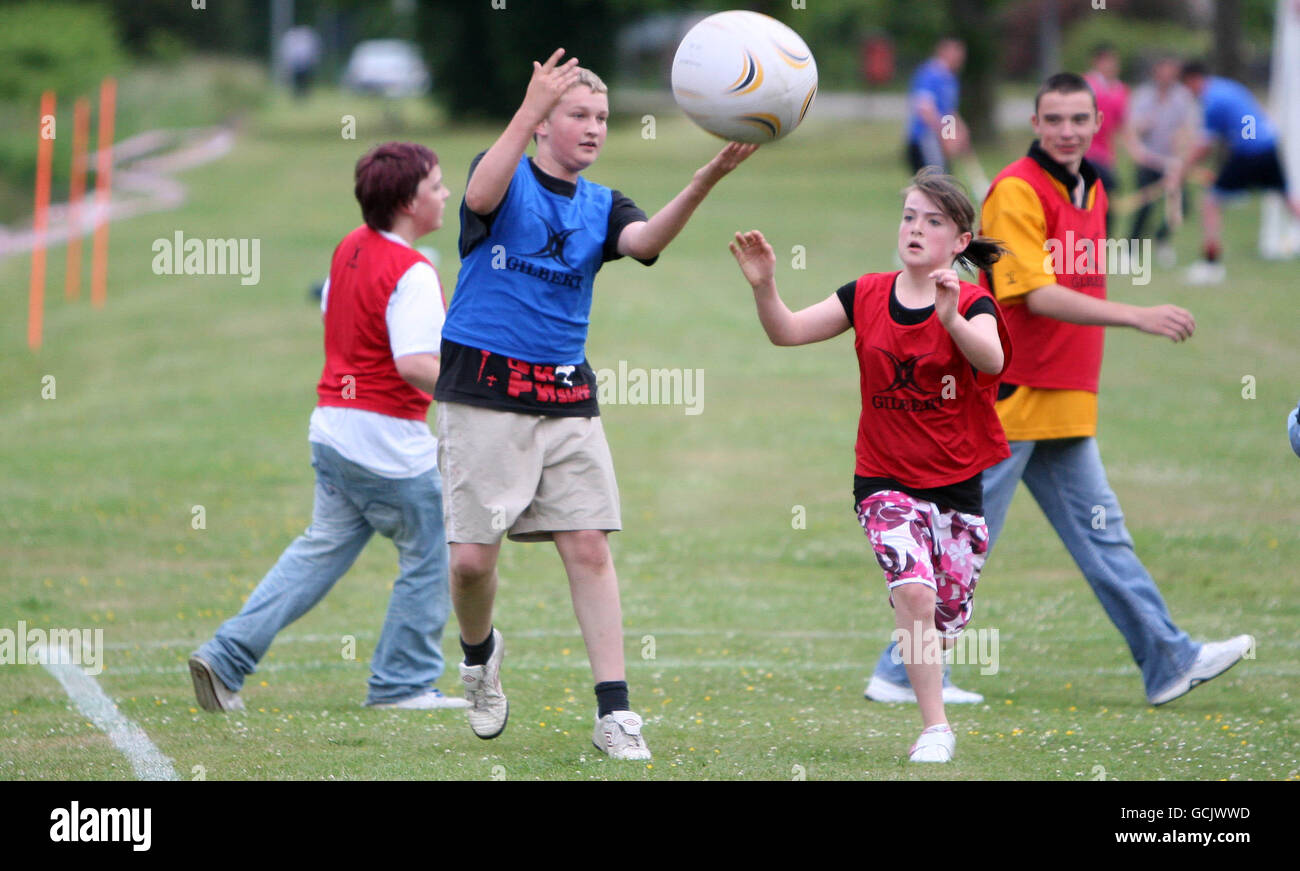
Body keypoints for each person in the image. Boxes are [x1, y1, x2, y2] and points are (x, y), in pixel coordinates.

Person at [865, 72, 1254, 708]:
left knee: (1103, 536)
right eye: (1055, 120)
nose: (1068, 131)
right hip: (1012, 400)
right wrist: (1137, 315)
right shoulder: (1016, 189)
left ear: (1098, 123)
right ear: (1036, 125)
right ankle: (899, 670)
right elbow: (1034, 292)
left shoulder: (1095, 184)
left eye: (1080, 119)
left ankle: (1169, 660)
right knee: (959, 539)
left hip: (1066, 398)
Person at [434, 50, 756, 760]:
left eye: (603, 118)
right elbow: (482, 198)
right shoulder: (506, 171)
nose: (593, 128)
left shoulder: (603, 204)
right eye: (578, 114)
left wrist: (704, 180)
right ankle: (480, 656)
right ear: (544, 123)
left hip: (565, 392)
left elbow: (643, 244)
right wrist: (526, 107)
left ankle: (616, 711)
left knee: (589, 546)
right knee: (469, 564)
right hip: (484, 384)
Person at [730, 168, 1012, 763]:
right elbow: (786, 333)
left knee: (944, 611)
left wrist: (952, 320)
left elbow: (993, 361)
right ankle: (936, 728)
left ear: (961, 241)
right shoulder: (865, 294)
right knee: (912, 590)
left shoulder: (973, 300)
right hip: (882, 481)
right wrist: (765, 286)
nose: (916, 228)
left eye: (934, 221)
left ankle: (927, 662)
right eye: (910, 216)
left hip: (957, 488)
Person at [189, 142, 467, 713]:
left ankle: (226, 656)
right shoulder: (413, 272)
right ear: (409, 202)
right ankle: (403, 684)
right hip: (385, 443)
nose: (446, 195)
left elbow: (336, 316)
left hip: (332, 432)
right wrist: (476, 396)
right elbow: (414, 362)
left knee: (318, 553)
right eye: (437, 186)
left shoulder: (351, 247)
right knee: (434, 549)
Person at [1177, 61, 1300, 284]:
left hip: (1249, 151)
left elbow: (1204, 147)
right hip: (1268, 146)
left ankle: (1211, 264)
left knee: (1211, 202)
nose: (1189, 92)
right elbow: (1251, 116)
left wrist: (1181, 170)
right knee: (1288, 198)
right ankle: (1210, 263)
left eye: (1187, 87)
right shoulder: (1227, 87)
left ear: (1192, 79)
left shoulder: (1211, 100)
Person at [1124, 56, 1197, 267]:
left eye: (1171, 71)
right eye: (1163, 71)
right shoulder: (1143, 96)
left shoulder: (1182, 97)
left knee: (1180, 206)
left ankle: (1162, 240)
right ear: (1155, 72)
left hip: (1172, 162)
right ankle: (1130, 250)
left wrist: (1183, 147)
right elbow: (1131, 128)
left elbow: (1190, 127)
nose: (1167, 75)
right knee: (1144, 207)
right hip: (1148, 159)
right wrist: (1140, 137)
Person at [904, 38, 970, 174]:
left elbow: (948, 112)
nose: (960, 58)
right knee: (935, 182)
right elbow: (925, 109)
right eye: (956, 53)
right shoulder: (929, 75)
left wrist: (957, 133)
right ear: (943, 52)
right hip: (925, 138)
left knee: (945, 180)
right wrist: (943, 135)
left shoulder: (950, 78)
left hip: (939, 139)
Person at [1082, 44, 1129, 233]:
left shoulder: (1120, 90)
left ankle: (1101, 240)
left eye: (1114, 61)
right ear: (1097, 62)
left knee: (1106, 198)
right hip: (1085, 153)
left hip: (1105, 156)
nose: (1112, 65)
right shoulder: (1085, 85)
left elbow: (1121, 125)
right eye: (1108, 61)